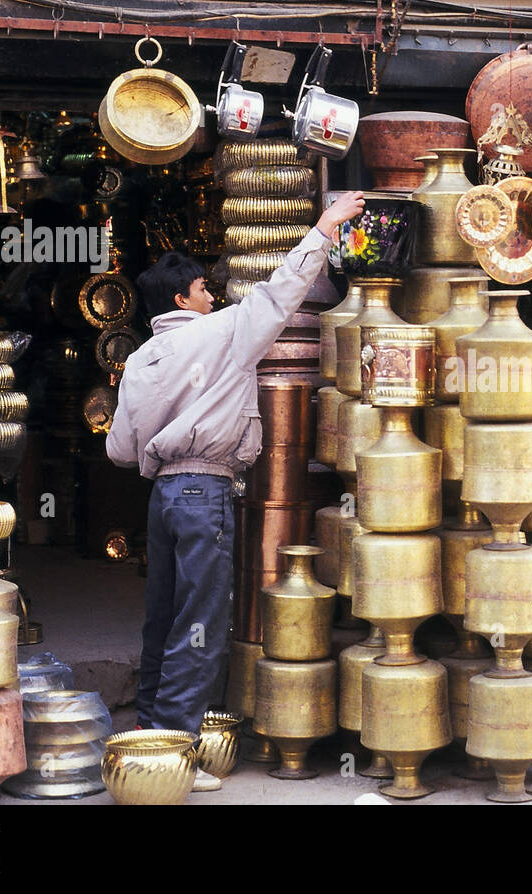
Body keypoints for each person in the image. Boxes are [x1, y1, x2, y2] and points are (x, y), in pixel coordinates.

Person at [106, 191, 365, 790]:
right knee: (200, 624)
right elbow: (279, 295)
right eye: (203, 289)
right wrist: (325, 226)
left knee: (163, 618)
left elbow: (118, 450)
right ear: (182, 299)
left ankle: (149, 733)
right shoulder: (222, 333)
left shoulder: (140, 360)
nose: (212, 296)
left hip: (162, 497)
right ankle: (177, 751)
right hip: (204, 493)